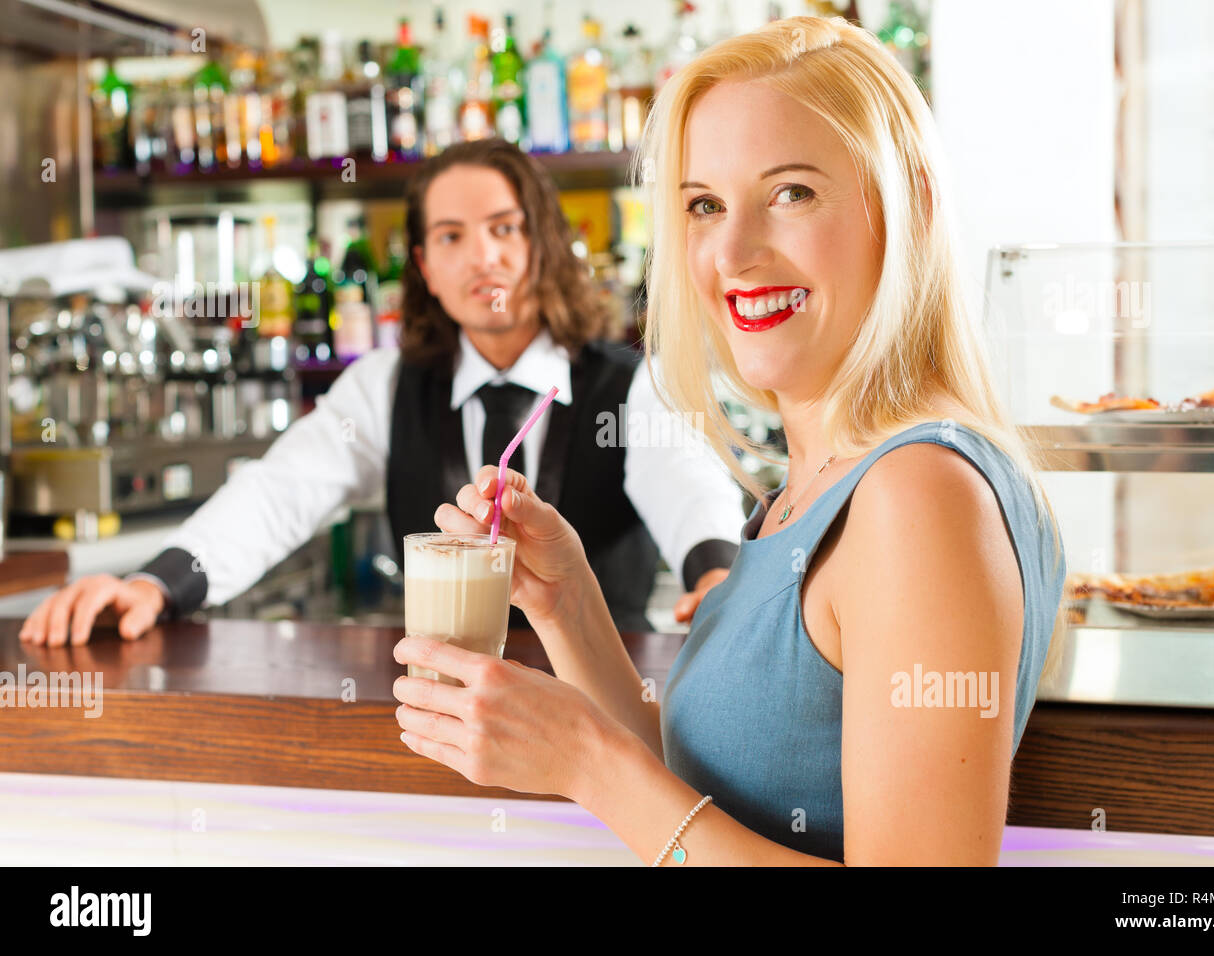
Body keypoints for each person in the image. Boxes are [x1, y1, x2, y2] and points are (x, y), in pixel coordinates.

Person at [391, 16, 1070, 865]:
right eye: (705, 206)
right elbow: (709, 791)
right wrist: (567, 603)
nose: (735, 252)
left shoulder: (918, 496)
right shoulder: (817, 486)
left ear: (911, 207)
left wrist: (590, 766)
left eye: (792, 192)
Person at [19, 139, 744, 646]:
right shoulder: (385, 385)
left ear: (541, 244)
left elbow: (684, 483)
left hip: (601, 711)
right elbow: (280, 491)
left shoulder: (631, 385)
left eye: (504, 229)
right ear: (426, 266)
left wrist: (717, 575)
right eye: (453, 237)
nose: (484, 256)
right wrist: (160, 584)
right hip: (441, 717)